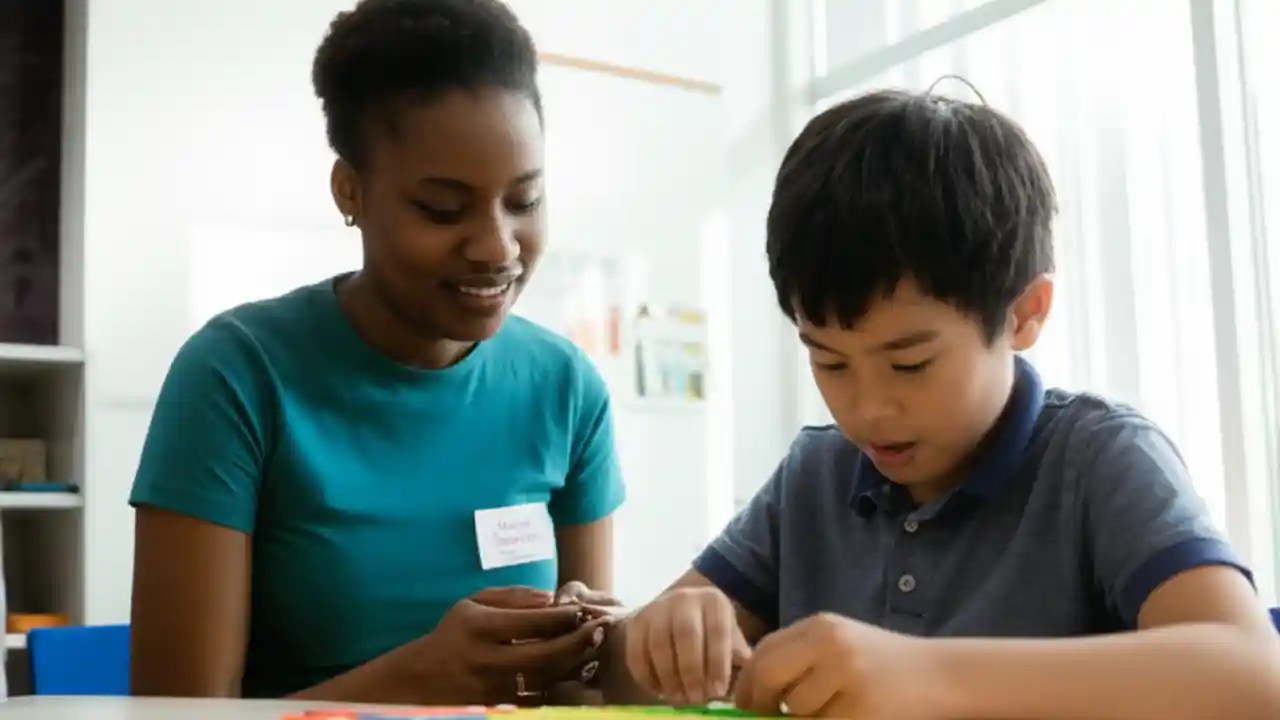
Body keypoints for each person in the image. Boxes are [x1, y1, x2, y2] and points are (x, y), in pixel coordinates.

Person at [603, 89, 1280, 718]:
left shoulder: (1096, 459)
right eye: (828, 361)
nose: (867, 410)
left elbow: (1255, 674)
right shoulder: (817, 476)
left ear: (1023, 313)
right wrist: (657, 638)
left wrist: (929, 676)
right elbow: (615, 679)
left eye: (910, 363)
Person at [128, 0, 623, 705]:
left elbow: (584, 681)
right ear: (350, 191)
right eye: (442, 209)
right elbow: (174, 715)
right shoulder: (237, 375)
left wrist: (629, 645)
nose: (497, 246)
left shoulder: (565, 386)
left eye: (525, 200)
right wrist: (421, 678)